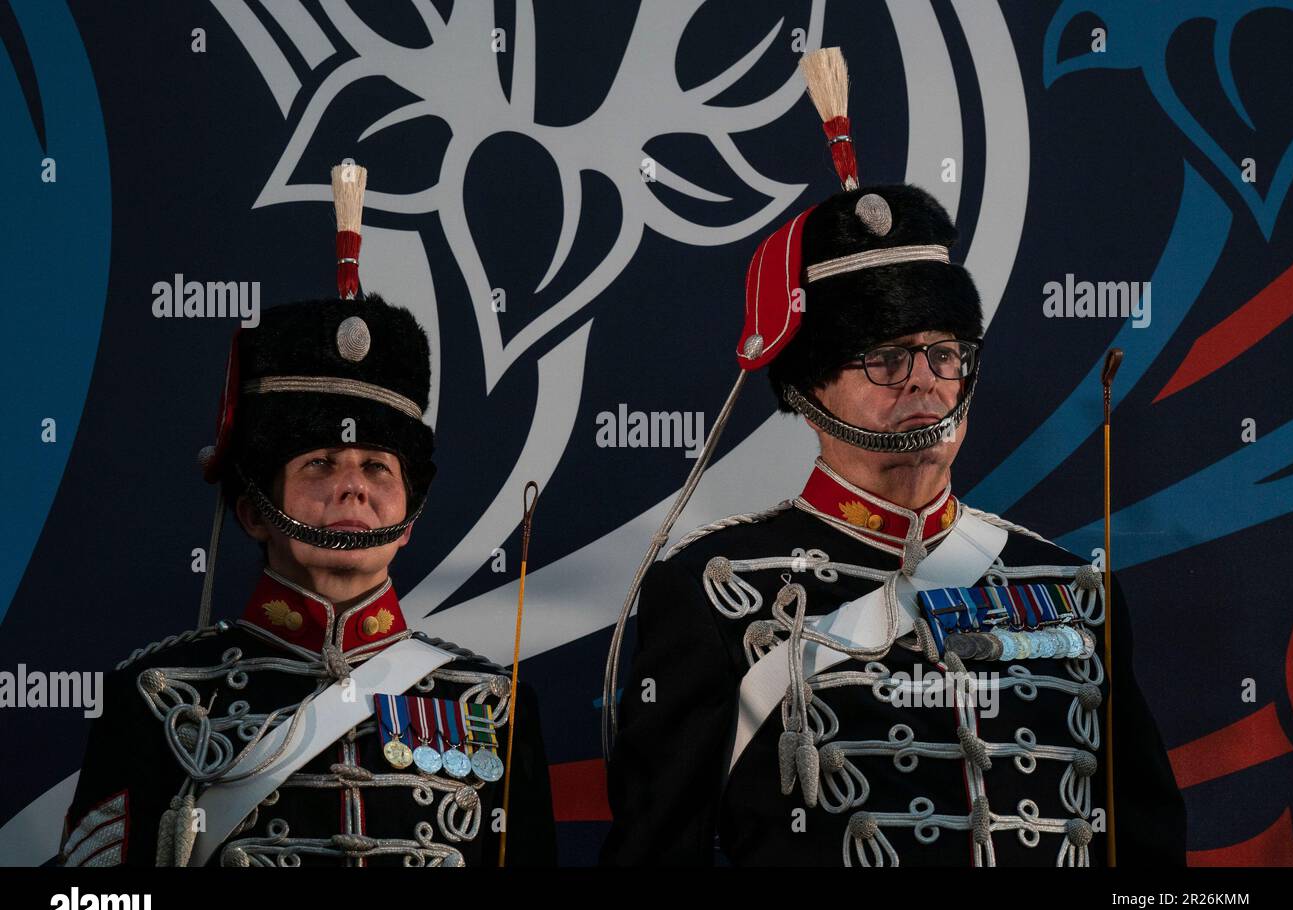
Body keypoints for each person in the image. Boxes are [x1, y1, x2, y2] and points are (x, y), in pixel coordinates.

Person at [601, 49, 1184, 867]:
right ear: (807, 389)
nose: (924, 384)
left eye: (945, 354)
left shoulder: (1072, 593)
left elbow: (1152, 862)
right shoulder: (709, 598)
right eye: (884, 359)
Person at [59, 165, 555, 867]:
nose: (352, 489)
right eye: (319, 464)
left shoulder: (496, 709)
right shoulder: (157, 698)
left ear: (409, 515)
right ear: (253, 512)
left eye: (378, 468)